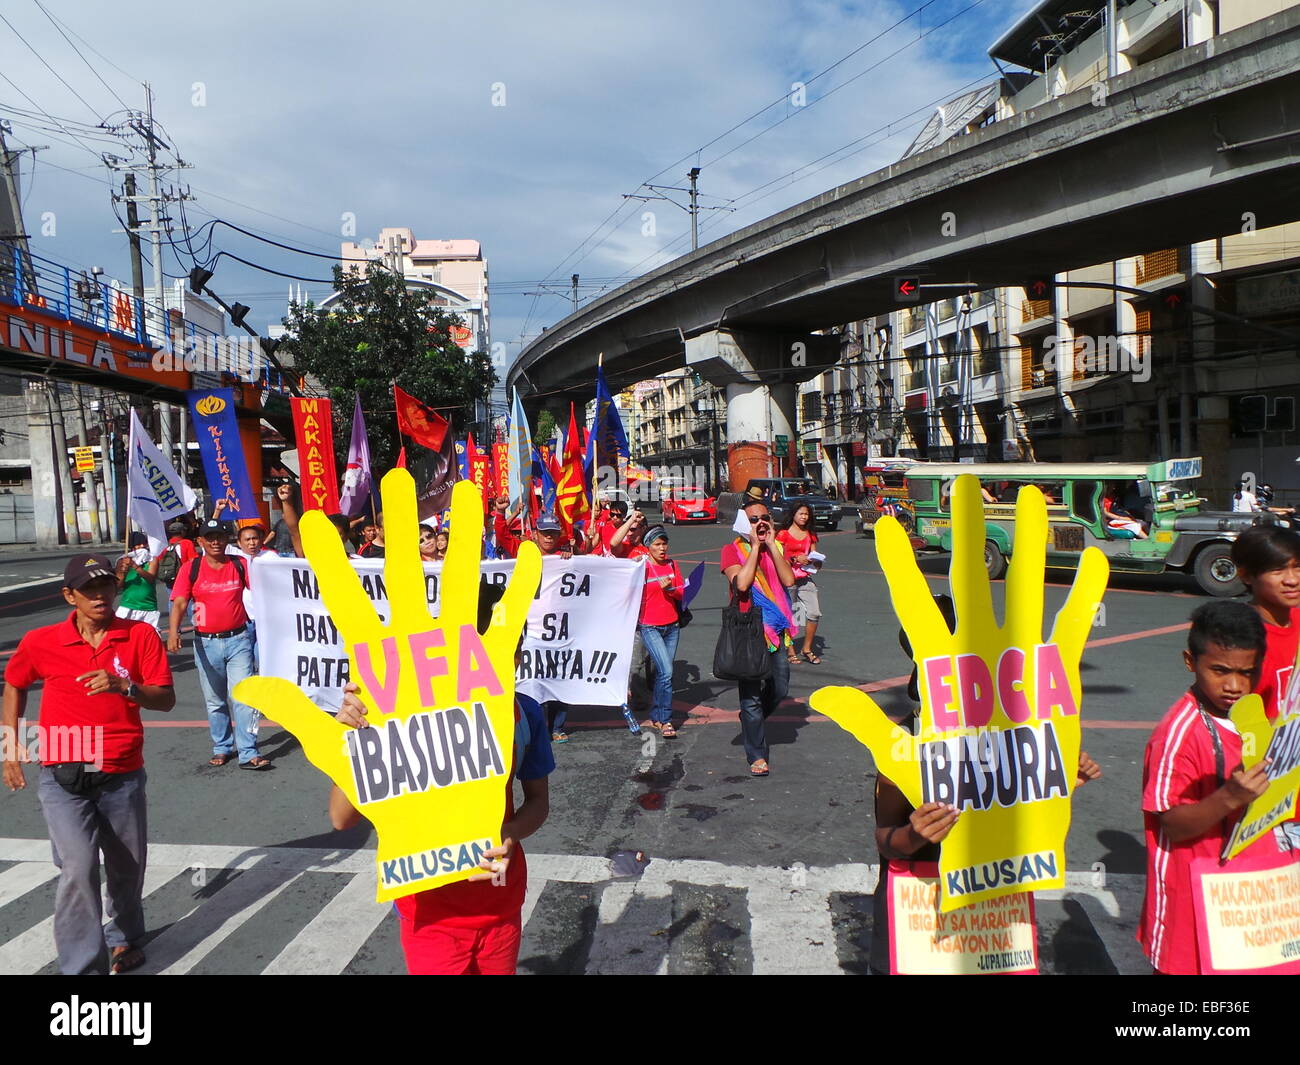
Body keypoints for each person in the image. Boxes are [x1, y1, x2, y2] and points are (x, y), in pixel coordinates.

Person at [328, 582, 553, 975]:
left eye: (512, 651)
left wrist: (511, 831)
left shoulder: (525, 714)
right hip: (428, 914)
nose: (503, 664)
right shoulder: (396, 716)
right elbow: (342, 819)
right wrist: (354, 740)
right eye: (485, 652)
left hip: (501, 904)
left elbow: (538, 801)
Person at [2, 554, 175, 974]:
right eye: (89, 590)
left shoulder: (140, 636)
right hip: (63, 772)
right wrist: (10, 745)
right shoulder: (41, 641)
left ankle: (125, 938)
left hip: (121, 770)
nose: (100, 596)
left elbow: (165, 699)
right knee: (77, 868)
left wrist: (126, 687)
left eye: (106, 587)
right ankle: (81, 969)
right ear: (69, 596)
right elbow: (14, 683)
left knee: (126, 868)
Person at [1138, 600, 1277, 975]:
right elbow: (1172, 824)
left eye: (1246, 673)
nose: (1233, 685)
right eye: (1219, 671)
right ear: (1190, 661)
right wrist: (1230, 796)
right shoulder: (1177, 733)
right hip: (1190, 895)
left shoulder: (1253, 717)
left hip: (1245, 890)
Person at [167, 519, 271, 770]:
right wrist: (173, 632)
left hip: (239, 641)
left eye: (220, 537)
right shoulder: (190, 568)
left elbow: (265, 591)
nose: (215, 541)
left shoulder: (239, 564)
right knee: (215, 701)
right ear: (200, 541)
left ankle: (248, 751)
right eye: (209, 537)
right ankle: (222, 747)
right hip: (206, 643)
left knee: (244, 697)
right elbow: (180, 602)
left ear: (228, 541)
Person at [720, 488, 797, 777]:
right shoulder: (731, 550)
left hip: (776, 631)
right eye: (754, 520)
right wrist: (754, 547)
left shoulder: (775, 547)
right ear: (743, 523)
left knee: (780, 688)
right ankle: (756, 754)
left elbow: (788, 580)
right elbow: (741, 583)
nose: (761, 523)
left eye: (766, 518)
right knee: (751, 697)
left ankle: (751, 720)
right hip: (749, 631)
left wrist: (772, 545)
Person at [1231, 526, 1300, 720]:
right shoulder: (1241, 639)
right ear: (1245, 575)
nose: (1292, 580)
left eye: (1298, 566)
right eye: (1277, 570)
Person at [532, 512, 576, 742]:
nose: (548, 538)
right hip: (532, 634)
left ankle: (557, 727)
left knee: (560, 680)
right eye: (544, 533)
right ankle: (539, 728)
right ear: (535, 534)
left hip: (561, 632)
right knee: (535, 684)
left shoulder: (566, 558)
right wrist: (500, 514)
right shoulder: (525, 556)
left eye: (552, 534)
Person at [638, 525, 685, 737]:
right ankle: (666, 720)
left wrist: (671, 589)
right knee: (667, 672)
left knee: (662, 674)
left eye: (664, 543)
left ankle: (657, 715)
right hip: (649, 626)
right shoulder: (641, 567)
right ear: (648, 547)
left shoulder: (672, 565)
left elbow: (681, 594)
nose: (662, 548)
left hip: (672, 625)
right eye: (657, 544)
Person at [777, 503, 823, 665]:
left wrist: (815, 561)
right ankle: (790, 650)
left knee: (814, 613)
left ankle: (807, 649)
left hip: (805, 578)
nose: (804, 517)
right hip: (788, 580)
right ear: (793, 514)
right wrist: (795, 559)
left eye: (806, 514)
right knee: (793, 616)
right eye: (801, 513)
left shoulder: (810, 534)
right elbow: (777, 558)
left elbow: (815, 556)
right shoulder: (783, 534)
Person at [115, 532, 161, 632]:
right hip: (127, 606)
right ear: (132, 547)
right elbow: (118, 585)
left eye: (144, 543)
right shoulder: (122, 561)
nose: (142, 546)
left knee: (150, 638)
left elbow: (151, 578)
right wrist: (123, 572)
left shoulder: (152, 559)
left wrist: (135, 566)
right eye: (138, 544)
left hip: (148, 607)